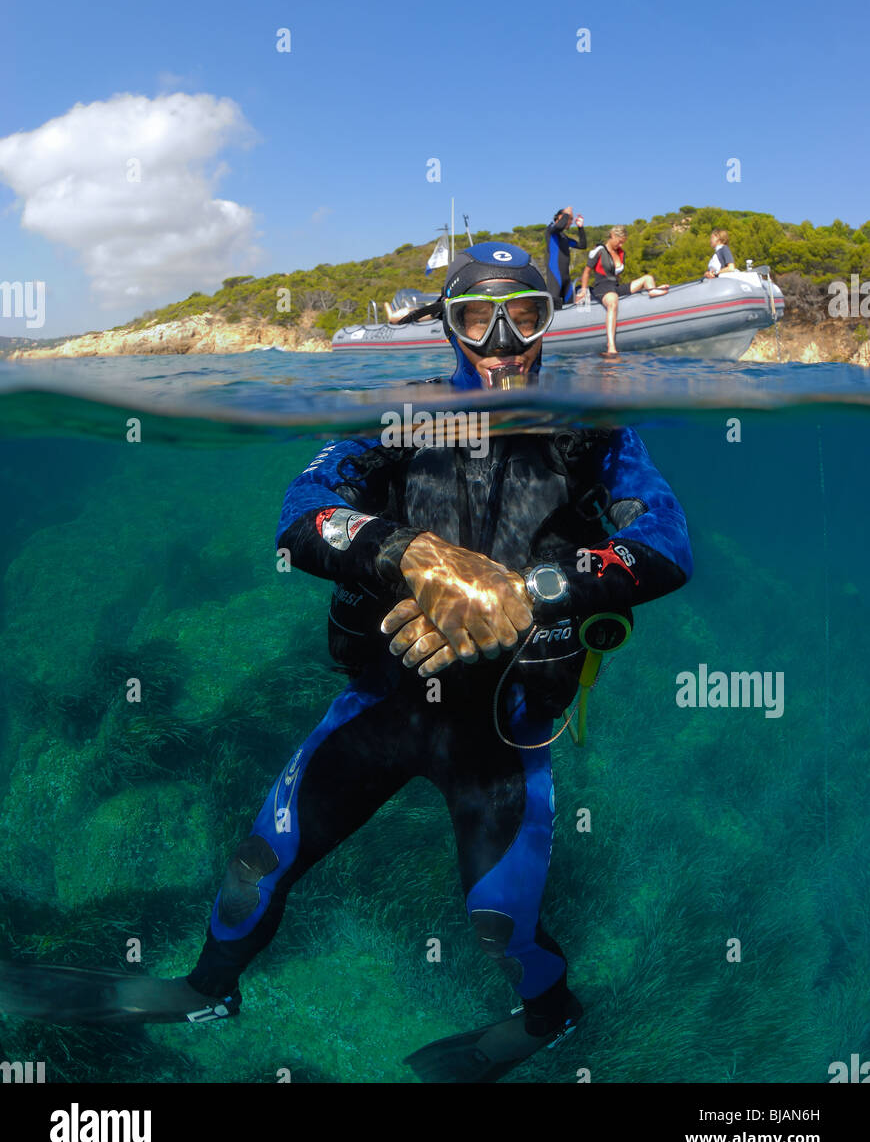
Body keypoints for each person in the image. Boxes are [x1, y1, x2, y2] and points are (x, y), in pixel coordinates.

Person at [0, 241, 693, 1084]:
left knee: (497, 921)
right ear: (449, 329)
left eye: (526, 314)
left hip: (504, 732)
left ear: (553, 323)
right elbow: (303, 513)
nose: (504, 341)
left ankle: (552, 1014)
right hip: (388, 703)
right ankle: (210, 990)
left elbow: (662, 544)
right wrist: (411, 554)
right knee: (255, 869)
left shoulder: (593, 431)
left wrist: (524, 589)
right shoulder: (399, 415)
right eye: (478, 317)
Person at [578, 226, 670, 358]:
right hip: (601, 287)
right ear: (612, 236)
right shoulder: (599, 251)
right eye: (619, 241)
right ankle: (611, 346)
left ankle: (652, 290)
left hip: (615, 286)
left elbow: (617, 276)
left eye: (623, 242)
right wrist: (583, 291)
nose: (621, 244)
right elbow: (586, 272)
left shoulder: (621, 253)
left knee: (647, 278)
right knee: (613, 301)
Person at [544, 207, 587, 308]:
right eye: (570, 219)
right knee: (555, 307)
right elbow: (559, 226)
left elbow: (582, 245)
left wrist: (580, 227)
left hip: (566, 280)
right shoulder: (551, 230)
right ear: (560, 217)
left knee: (570, 307)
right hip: (555, 277)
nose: (571, 222)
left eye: (572, 219)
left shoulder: (564, 238)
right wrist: (567, 213)